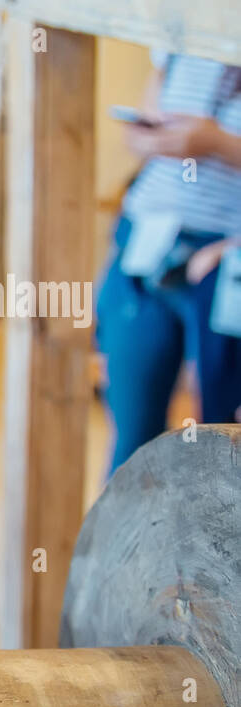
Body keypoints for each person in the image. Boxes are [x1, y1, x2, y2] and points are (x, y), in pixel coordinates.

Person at [95, 52, 241, 475]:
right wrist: (150, 136)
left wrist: (216, 142)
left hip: (224, 260)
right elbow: (144, 129)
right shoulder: (179, 30)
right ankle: (122, 541)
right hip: (146, 242)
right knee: (132, 445)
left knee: (222, 451)